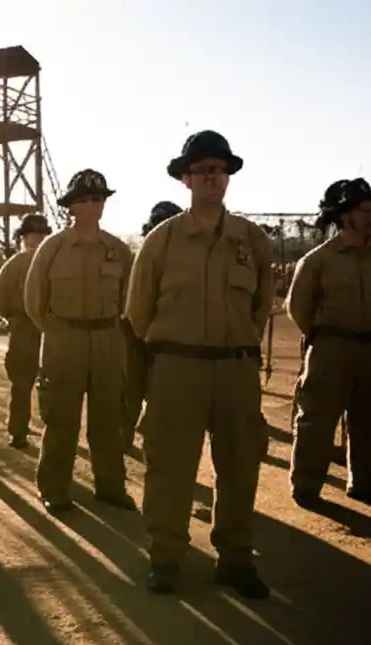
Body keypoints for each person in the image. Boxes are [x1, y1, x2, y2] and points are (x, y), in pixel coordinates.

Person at [125, 130, 273, 599]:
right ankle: (166, 557)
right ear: (185, 179)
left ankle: (235, 557)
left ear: (228, 177)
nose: (212, 178)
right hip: (178, 367)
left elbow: (261, 305)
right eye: (203, 170)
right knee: (169, 464)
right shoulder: (162, 241)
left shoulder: (251, 240)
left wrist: (234, 345)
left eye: (220, 169)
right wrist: (174, 347)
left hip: (235, 368)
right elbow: (138, 311)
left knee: (239, 464)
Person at [286, 179, 371, 506]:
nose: (370, 217)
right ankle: (307, 485)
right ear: (344, 217)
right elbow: (299, 308)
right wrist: (325, 338)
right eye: (361, 211)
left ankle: (364, 481)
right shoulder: (318, 261)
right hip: (331, 349)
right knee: (317, 421)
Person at [24, 169, 136, 514]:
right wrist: (57, 331)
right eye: (84, 200)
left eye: (98, 199)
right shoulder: (53, 248)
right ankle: (55, 489)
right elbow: (34, 300)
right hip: (64, 340)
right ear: (71, 207)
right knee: (61, 420)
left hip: (106, 340)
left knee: (108, 421)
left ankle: (110, 487)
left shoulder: (117, 250)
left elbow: (131, 299)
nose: (92, 205)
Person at [123, 201, 184, 447]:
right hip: (135, 337)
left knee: (163, 402)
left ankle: (151, 442)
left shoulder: (187, 265)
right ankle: (123, 441)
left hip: (168, 341)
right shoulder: (137, 260)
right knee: (129, 396)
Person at [0, 213, 52, 448]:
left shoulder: (17, 263)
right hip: (43, 329)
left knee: (23, 385)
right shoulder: (52, 260)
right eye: (35, 235)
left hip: (30, 329)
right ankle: (48, 430)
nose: (36, 239)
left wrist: (10, 318)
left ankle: (19, 430)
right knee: (45, 384)